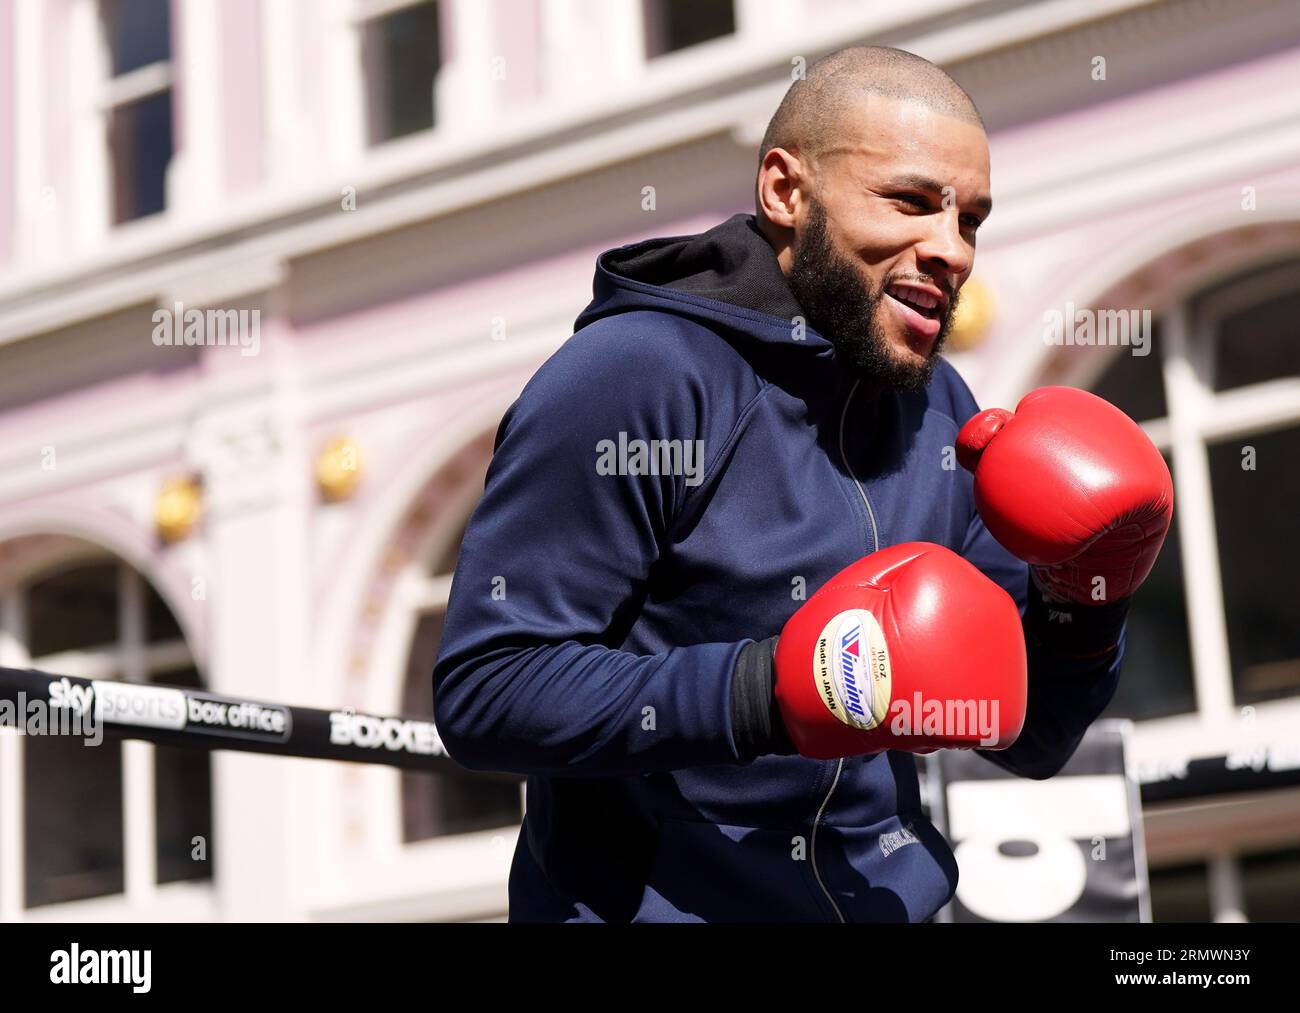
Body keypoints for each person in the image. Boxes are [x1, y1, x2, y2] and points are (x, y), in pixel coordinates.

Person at [432, 47, 1172, 922]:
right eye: (910, 201)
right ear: (786, 192)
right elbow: (488, 686)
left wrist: (1088, 596)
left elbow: (1032, 734)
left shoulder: (938, 408)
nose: (951, 249)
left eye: (970, 219)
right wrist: (772, 690)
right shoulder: (636, 375)